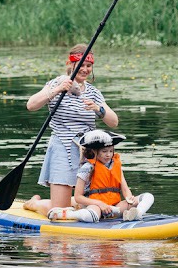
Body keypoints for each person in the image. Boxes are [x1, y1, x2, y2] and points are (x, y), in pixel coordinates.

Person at [26, 45, 119, 215]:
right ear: (70, 64)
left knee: (83, 205)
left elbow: (114, 122)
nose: (85, 69)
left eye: (88, 66)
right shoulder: (56, 83)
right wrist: (57, 90)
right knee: (61, 211)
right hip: (63, 147)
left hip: (88, 152)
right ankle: (34, 204)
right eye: (80, 64)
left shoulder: (93, 92)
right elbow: (31, 105)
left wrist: (99, 109)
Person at [26, 129, 153, 222]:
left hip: (113, 207)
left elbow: (124, 188)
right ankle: (63, 213)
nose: (108, 155)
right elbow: (79, 197)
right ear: (94, 152)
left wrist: (129, 199)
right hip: (94, 206)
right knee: (92, 215)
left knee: (148, 196)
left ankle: (137, 214)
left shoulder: (115, 164)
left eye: (111, 151)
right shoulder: (87, 168)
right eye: (104, 151)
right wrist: (100, 204)